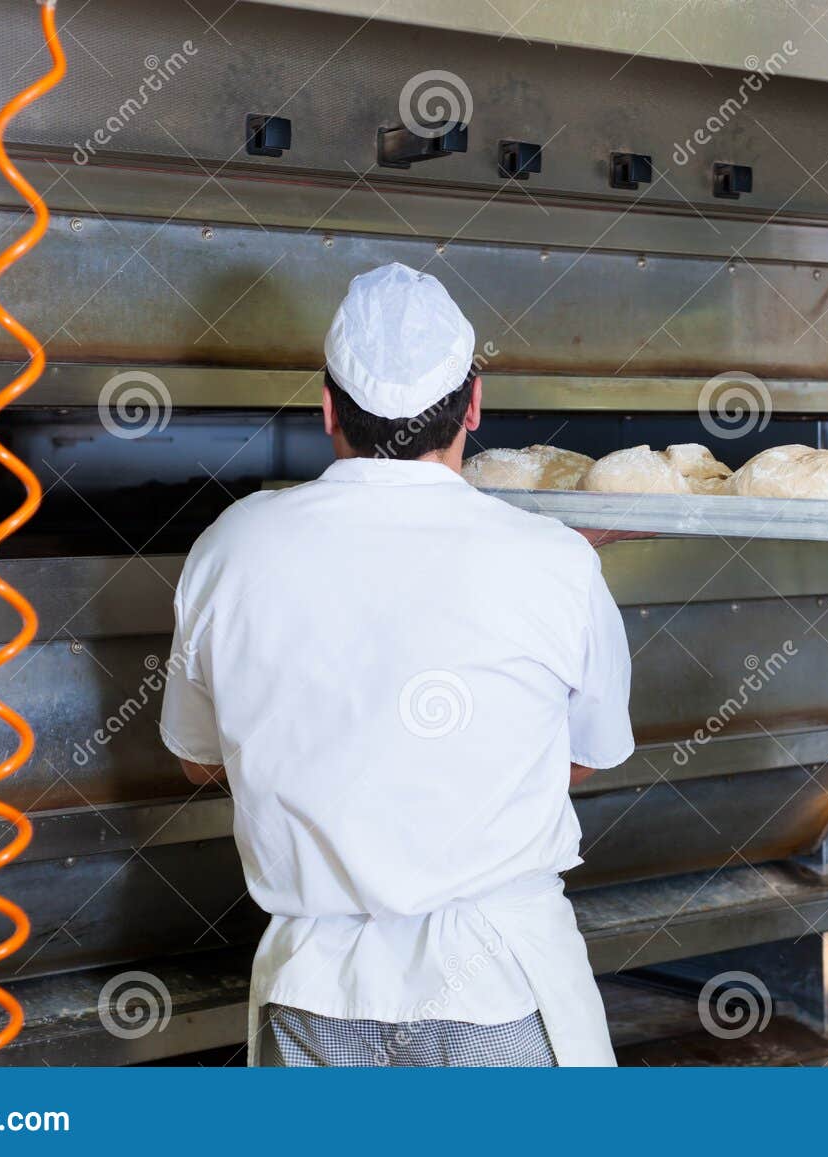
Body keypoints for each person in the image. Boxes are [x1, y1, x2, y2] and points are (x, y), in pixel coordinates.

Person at [159, 262, 634, 1067]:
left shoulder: (230, 547)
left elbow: (197, 761)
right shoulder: (555, 561)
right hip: (500, 993)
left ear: (328, 408)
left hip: (313, 1003)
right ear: (474, 405)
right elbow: (584, 756)